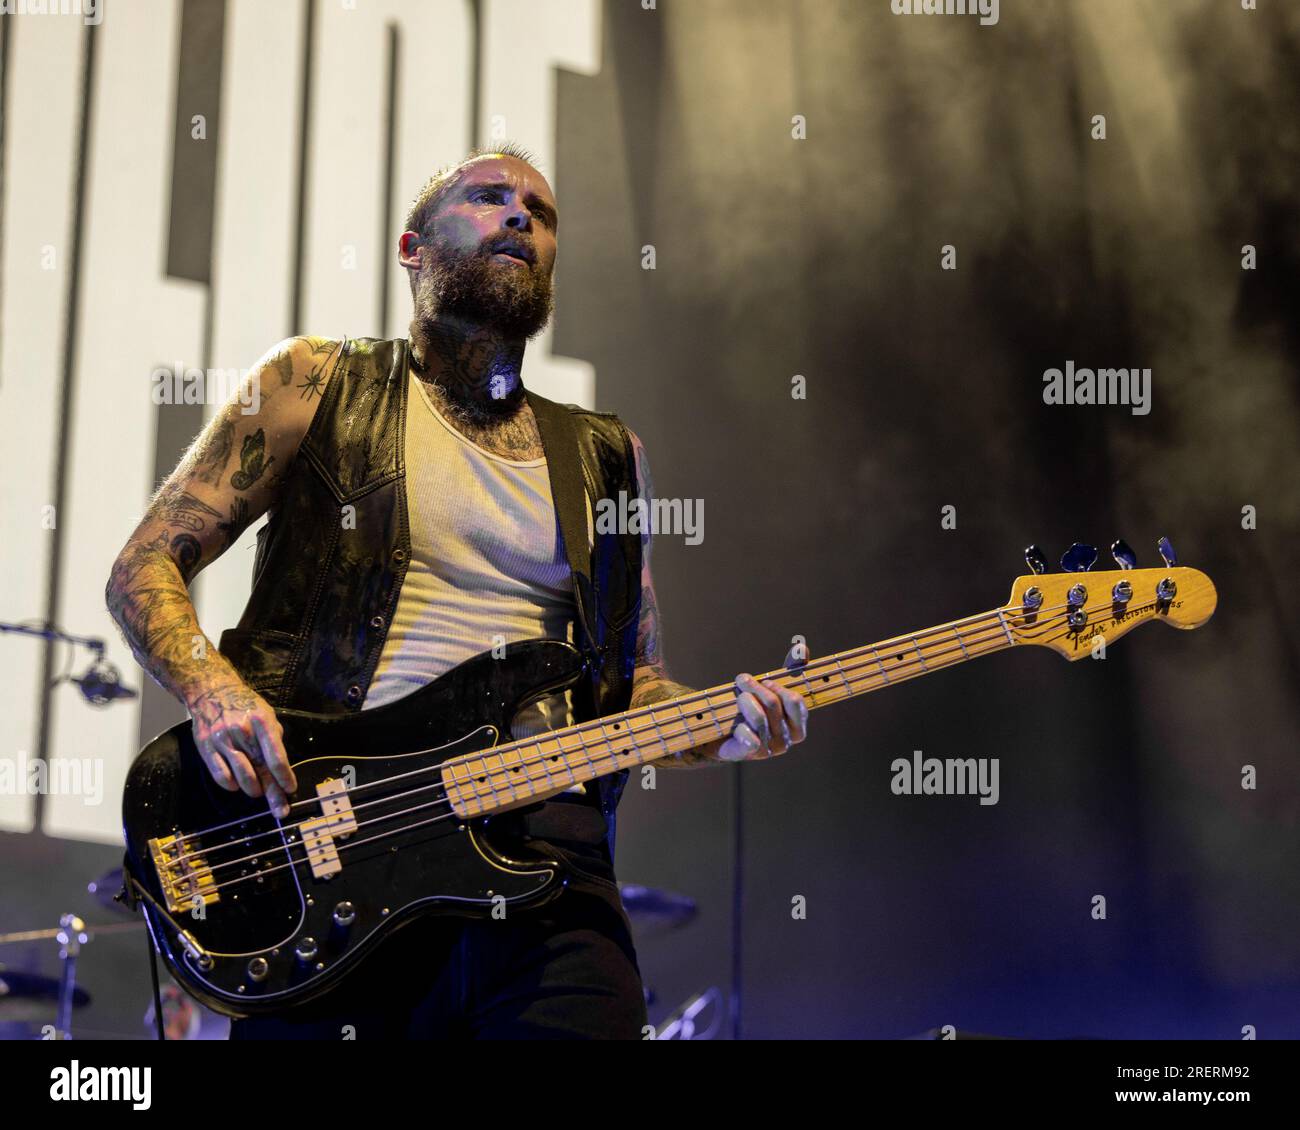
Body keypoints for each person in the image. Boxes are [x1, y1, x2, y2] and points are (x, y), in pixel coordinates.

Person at [105, 142, 809, 1039]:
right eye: (489, 198)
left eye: (542, 212)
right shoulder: (314, 384)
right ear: (412, 248)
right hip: (337, 853)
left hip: (549, 875)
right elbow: (143, 566)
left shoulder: (606, 457)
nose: (522, 216)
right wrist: (215, 694)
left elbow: (632, 688)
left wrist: (726, 726)